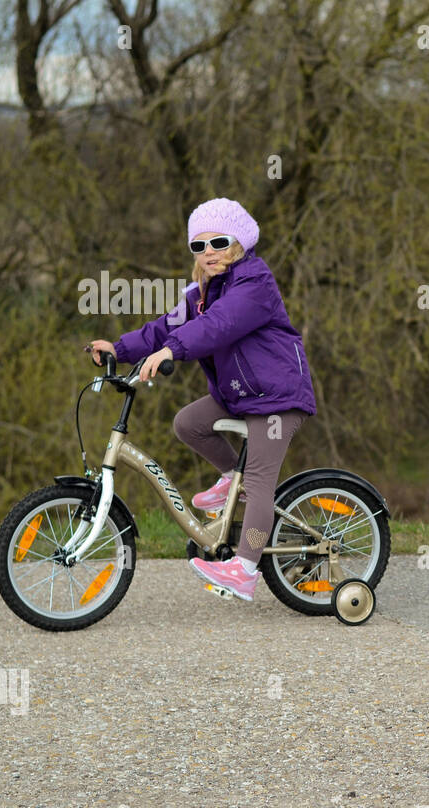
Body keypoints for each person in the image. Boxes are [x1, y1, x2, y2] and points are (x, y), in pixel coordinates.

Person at [87, 197, 316, 601]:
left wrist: (173, 350)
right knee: (188, 423)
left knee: (262, 483)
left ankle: (244, 569)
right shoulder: (200, 293)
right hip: (241, 394)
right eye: (199, 246)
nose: (208, 253)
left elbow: (219, 325)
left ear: (239, 243)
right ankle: (232, 479)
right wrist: (119, 349)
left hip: (277, 397)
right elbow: (163, 327)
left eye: (218, 242)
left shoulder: (255, 284)